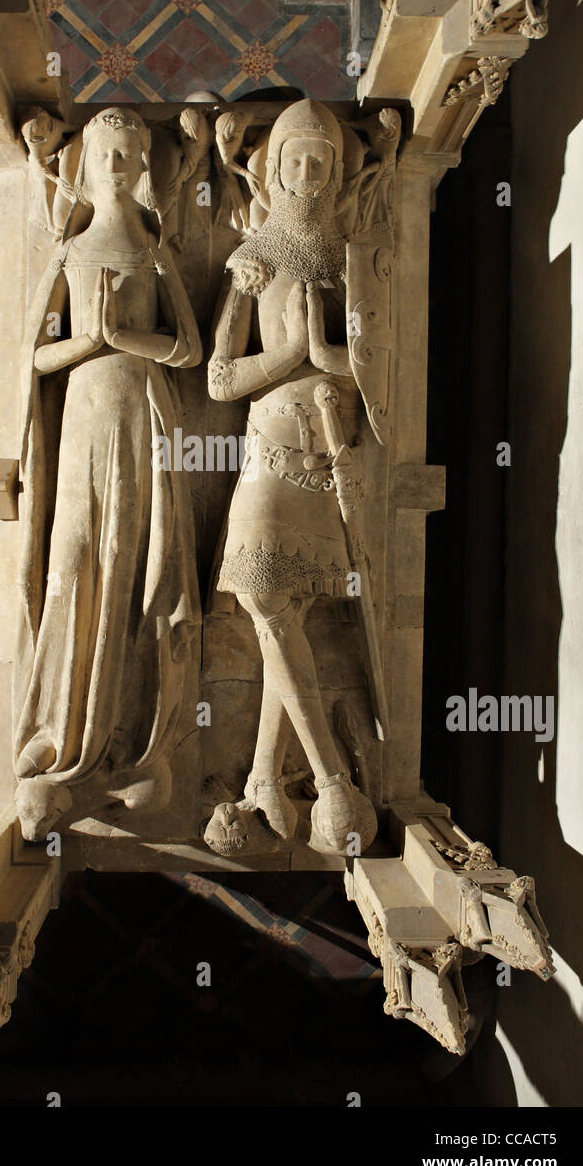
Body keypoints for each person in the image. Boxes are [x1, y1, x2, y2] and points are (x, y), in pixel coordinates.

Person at [14, 108, 201, 838]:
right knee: (75, 566)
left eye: (129, 153)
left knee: (137, 572)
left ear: (143, 163)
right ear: (85, 163)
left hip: (146, 416)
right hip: (86, 422)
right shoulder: (70, 254)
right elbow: (36, 358)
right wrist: (90, 341)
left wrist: (124, 337)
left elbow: (187, 351)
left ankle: (132, 747)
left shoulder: (153, 252)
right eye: (106, 152)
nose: (118, 164)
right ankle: (60, 737)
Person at [206, 99, 377, 854]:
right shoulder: (254, 259)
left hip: (333, 459)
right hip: (269, 455)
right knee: (266, 600)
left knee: (290, 612)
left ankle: (261, 780)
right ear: (271, 169)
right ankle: (331, 781)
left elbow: (378, 370)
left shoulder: (353, 253)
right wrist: (292, 356)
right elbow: (218, 378)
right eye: (294, 160)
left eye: (320, 162)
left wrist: (326, 350)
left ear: (337, 173)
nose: (306, 173)